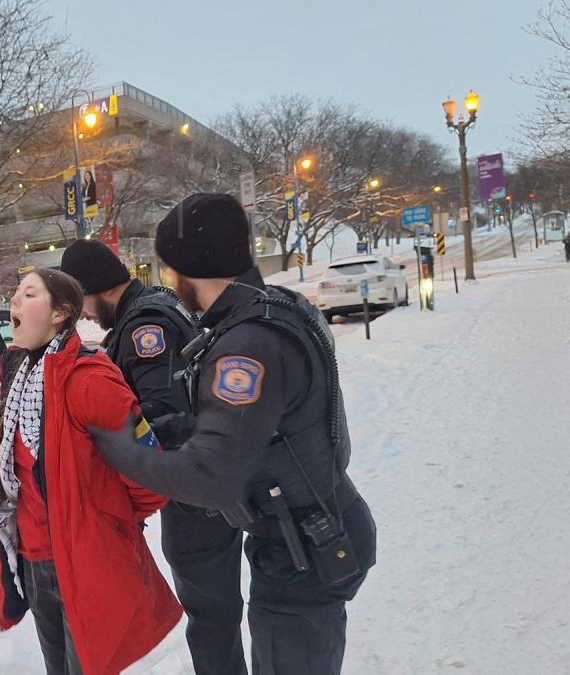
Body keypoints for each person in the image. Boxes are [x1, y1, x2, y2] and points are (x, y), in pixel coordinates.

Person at [88, 193, 377, 675]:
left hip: (306, 551)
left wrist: (118, 449)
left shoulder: (247, 346)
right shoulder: (274, 309)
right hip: (304, 535)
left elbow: (209, 477)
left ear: (187, 267)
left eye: (168, 268)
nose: (167, 281)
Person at [60, 240, 246, 674]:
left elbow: (163, 418)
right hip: (202, 485)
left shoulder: (146, 326)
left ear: (95, 288)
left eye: (82, 302)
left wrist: (127, 474)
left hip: (194, 495)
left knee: (210, 615)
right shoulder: (152, 306)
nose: (84, 315)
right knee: (214, 611)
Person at [0, 268, 181, 675]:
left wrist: (108, 530)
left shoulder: (88, 379)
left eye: (29, 293)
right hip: (35, 561)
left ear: (61, 313)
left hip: (85, 565)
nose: (15, 302)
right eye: (15, 293)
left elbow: (149, 476)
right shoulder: (20, 378)